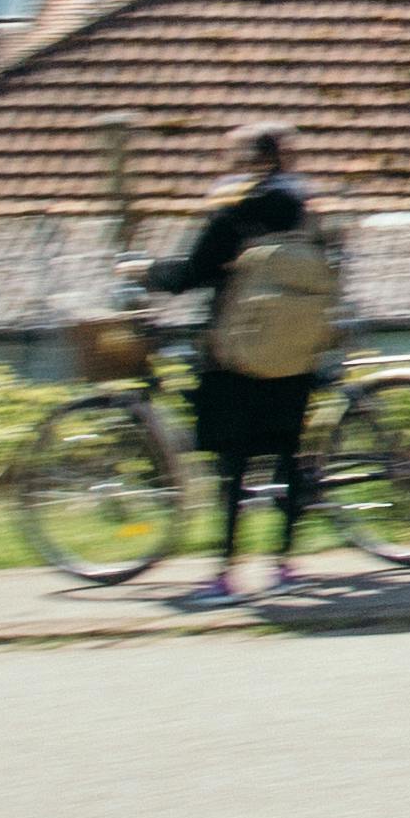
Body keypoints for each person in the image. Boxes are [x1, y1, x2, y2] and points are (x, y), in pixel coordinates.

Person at [141, 122, 337, 598]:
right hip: (297, 352)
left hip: (237, 357)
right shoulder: (307, 208)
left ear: (250, 160)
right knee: (288, 456)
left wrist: (146, 272)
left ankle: (226, 576)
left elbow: (194, 271)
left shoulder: (235, 209)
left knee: (233, 466)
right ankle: (284, 568)